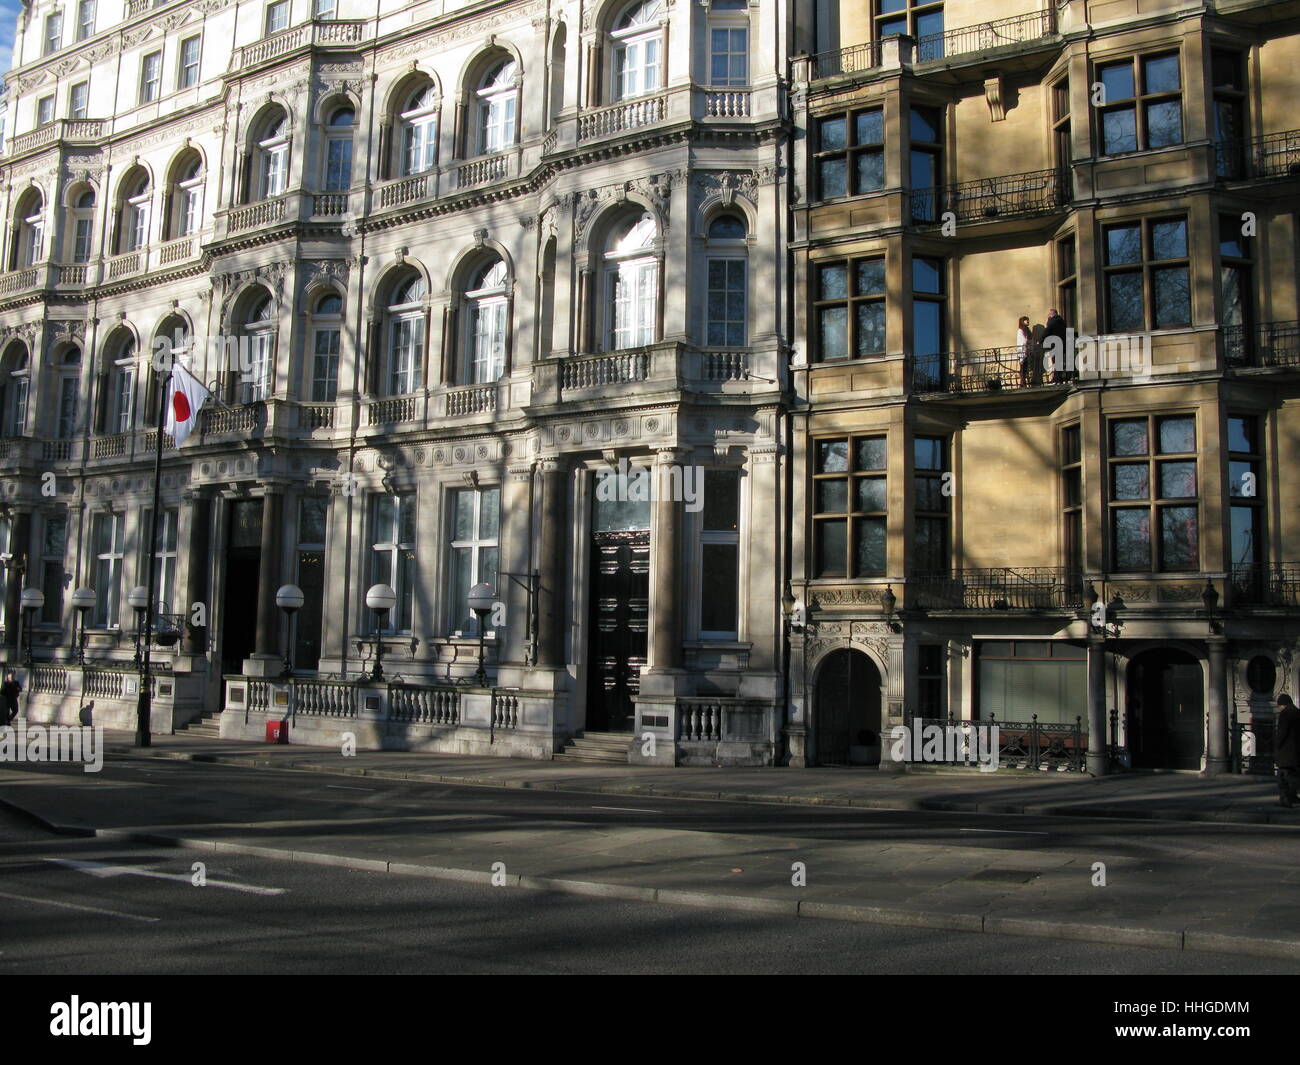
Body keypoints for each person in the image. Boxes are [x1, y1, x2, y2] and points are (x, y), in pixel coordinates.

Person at [1275, 693, 1300, 809]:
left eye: (1279, 706)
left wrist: (1276, 745)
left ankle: (1285, 799)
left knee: (1283, 776)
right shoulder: (1297, 712)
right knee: (1294, 776)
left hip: (1286, 751)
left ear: (1282, 704)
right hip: (1296, 751)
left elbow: (1282, 733)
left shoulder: (1285, 714)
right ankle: (1293, 796)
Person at [1044, 307, 1068, 382]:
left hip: (1054, 344)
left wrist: (1041, 341)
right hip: (1062, 344)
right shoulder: (1062, 321)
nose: (1048, 315)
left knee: (1055, 361)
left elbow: (1047, 332)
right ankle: (1059, 377)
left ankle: (1057, 378)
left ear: (1052, 314)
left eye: (1049, 314)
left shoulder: (1052, 322)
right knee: (1059, 361)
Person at [1016, 315, 1032, 387]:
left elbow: (1031, 339)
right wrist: (1028, 341)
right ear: (1022, 321)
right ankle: (1022, 383)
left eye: (1028, 320)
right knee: (1022, 367)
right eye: (1026, 320)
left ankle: (1023, 382)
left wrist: (1029, 342)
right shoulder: (1020, 331)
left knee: (1025, 368)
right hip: (1022, 351)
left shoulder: (1027, 330)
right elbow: (1023, 341)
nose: (1028, 321)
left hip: (1027, 350)